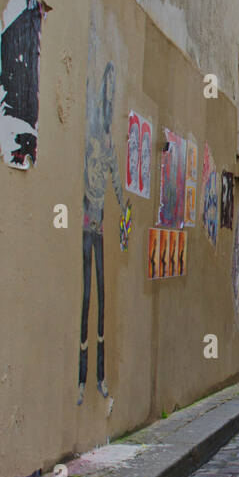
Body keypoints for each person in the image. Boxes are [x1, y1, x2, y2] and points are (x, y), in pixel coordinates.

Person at [79, 62, 128, 405]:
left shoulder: (109, 145)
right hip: (85, 225)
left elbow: (118, 189)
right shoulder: (93, 139)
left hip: (100, 230)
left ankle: (99, 377)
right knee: (85, 301)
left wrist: (125, 224)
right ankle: (83, 379)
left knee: (101, 304)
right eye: (107, 94)